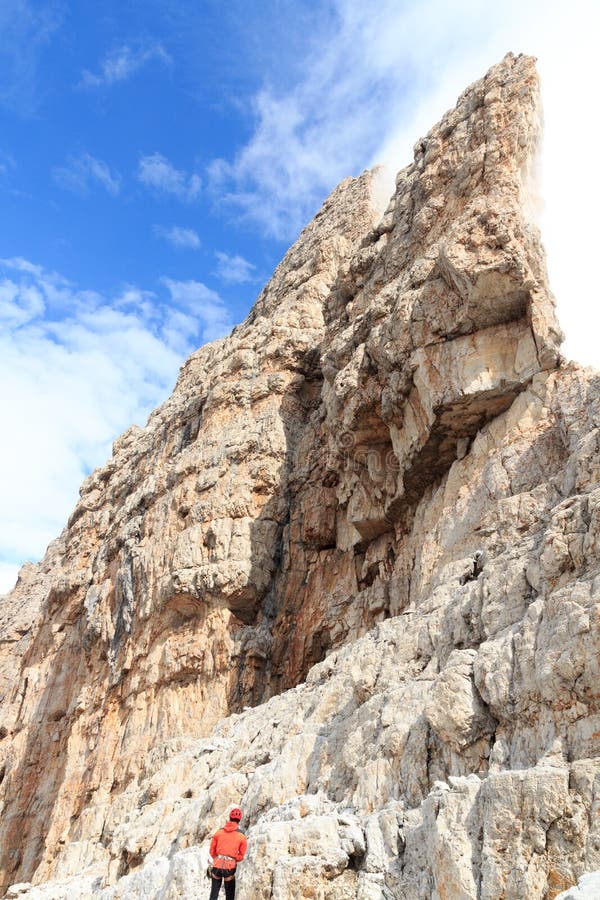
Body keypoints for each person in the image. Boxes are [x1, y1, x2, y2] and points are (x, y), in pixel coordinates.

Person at [208, 807, 247, 899]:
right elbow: (241, 855)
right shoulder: (241, 836)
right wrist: (233, 858)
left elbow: (212, 850)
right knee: (229, 895)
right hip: (229, 866)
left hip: (217, 865)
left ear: (229, 818)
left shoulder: (219, 832)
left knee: (214, 893)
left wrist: (217, 858)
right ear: (239, 820)